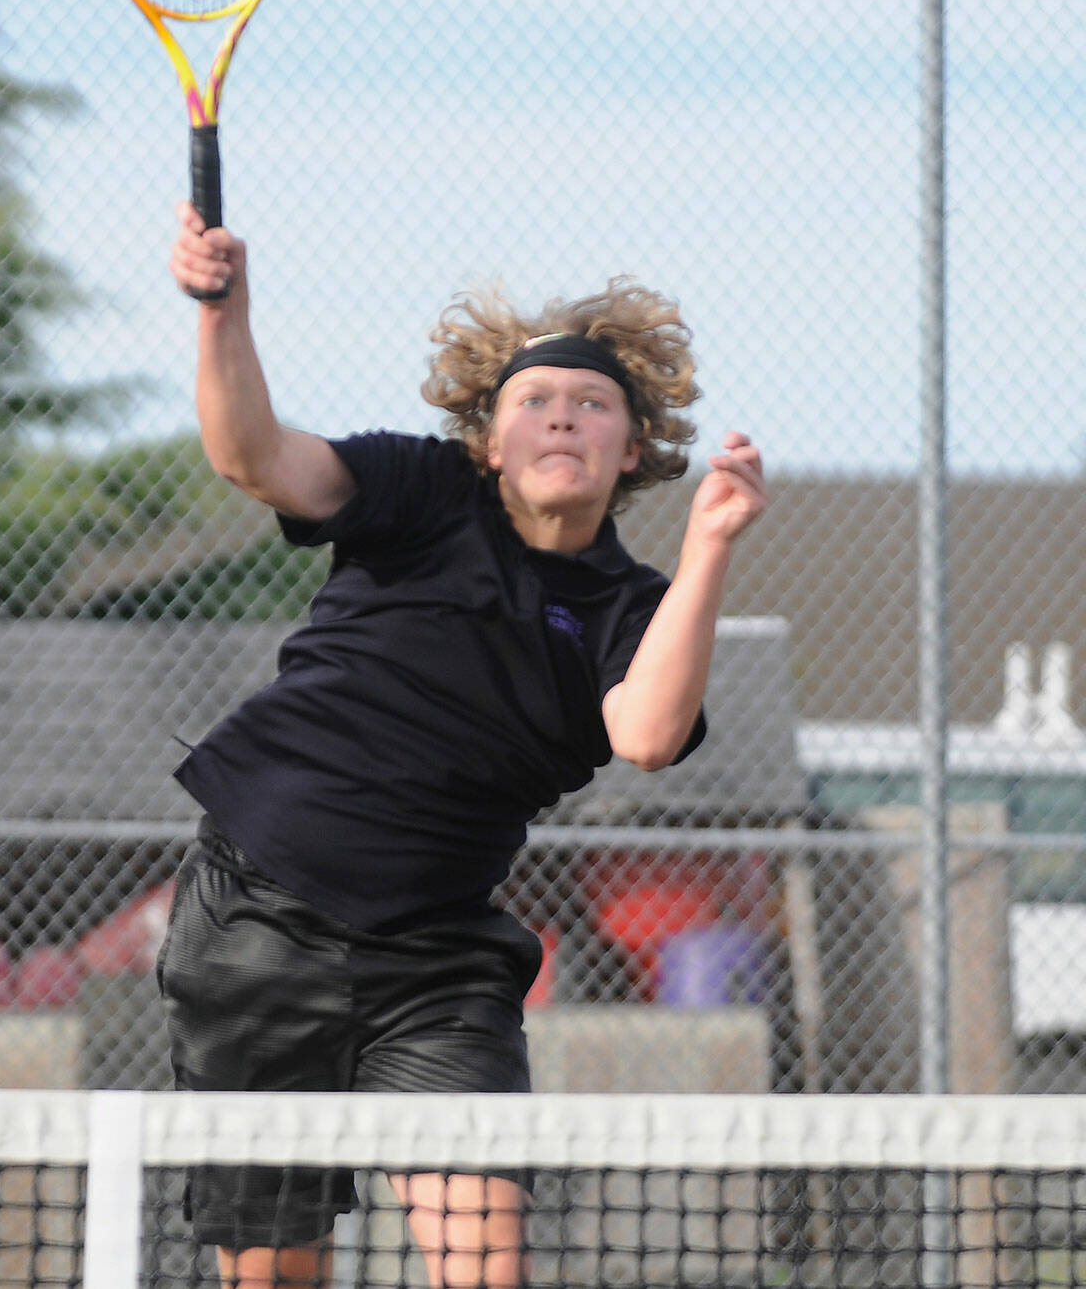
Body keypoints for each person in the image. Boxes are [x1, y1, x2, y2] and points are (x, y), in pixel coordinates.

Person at [159, 204, 768, 1289]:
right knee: (270, 1275)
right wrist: (222, 310)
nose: (561, 418)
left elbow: (644, 732)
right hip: (253, 920)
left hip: (438, 966)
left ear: (632, 448)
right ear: (491, 440)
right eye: (533, 401)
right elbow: (253, 459)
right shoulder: (420, 494)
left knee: (487, 1263)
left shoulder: (635, 607)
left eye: (591, 404)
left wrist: (711, 543)